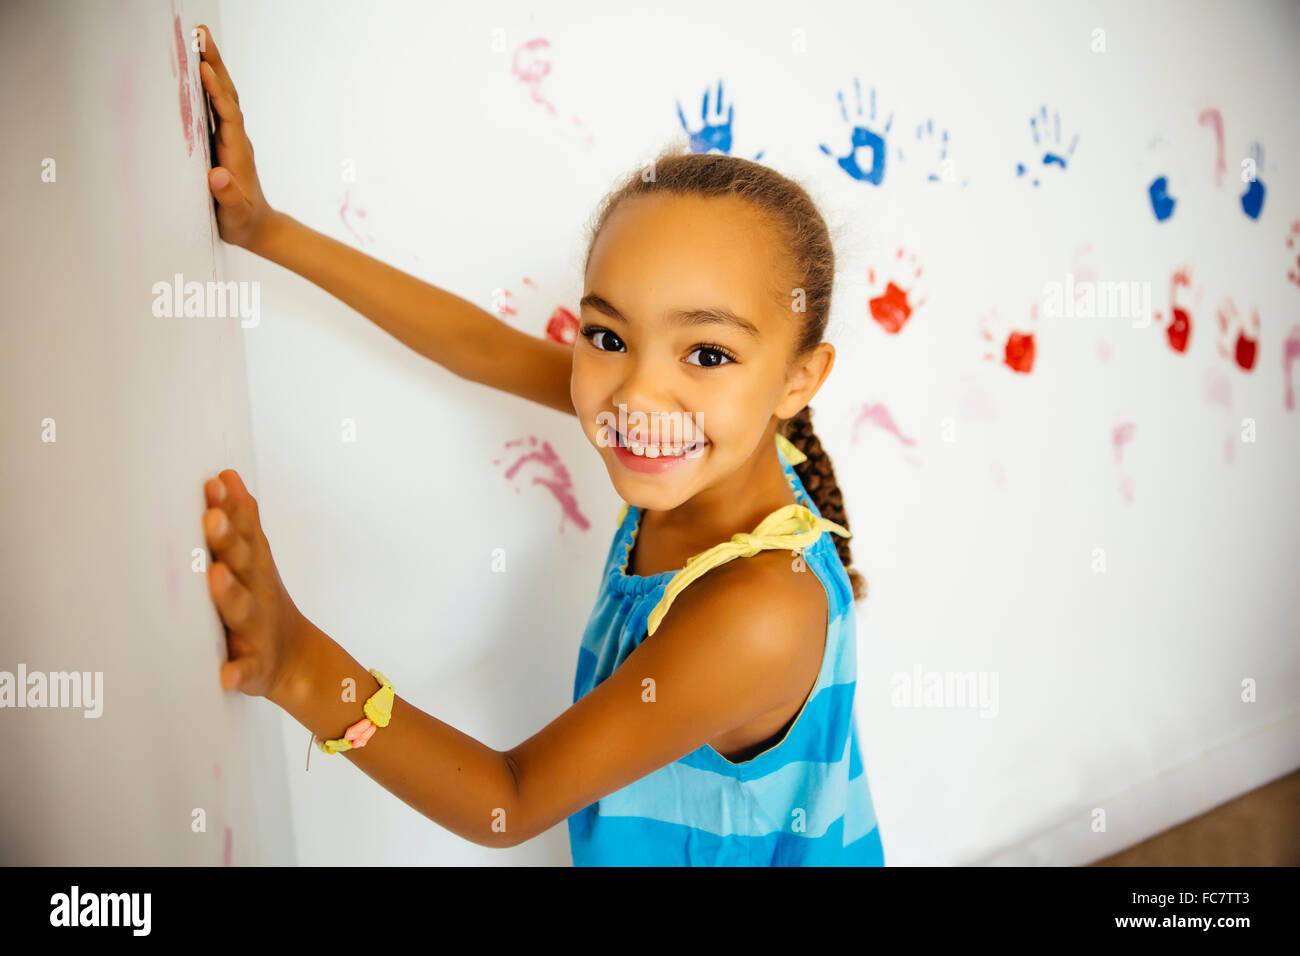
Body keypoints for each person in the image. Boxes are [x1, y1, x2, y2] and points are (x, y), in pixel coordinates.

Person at [194, 24, 883, 865]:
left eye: (707, 354)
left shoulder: (760, 614)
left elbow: (509, 801)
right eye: (607, 336)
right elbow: (479, 344)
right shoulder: (726, 450)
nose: (637, 394)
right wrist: (266, 229)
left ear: (799, 381)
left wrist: (300, 666)